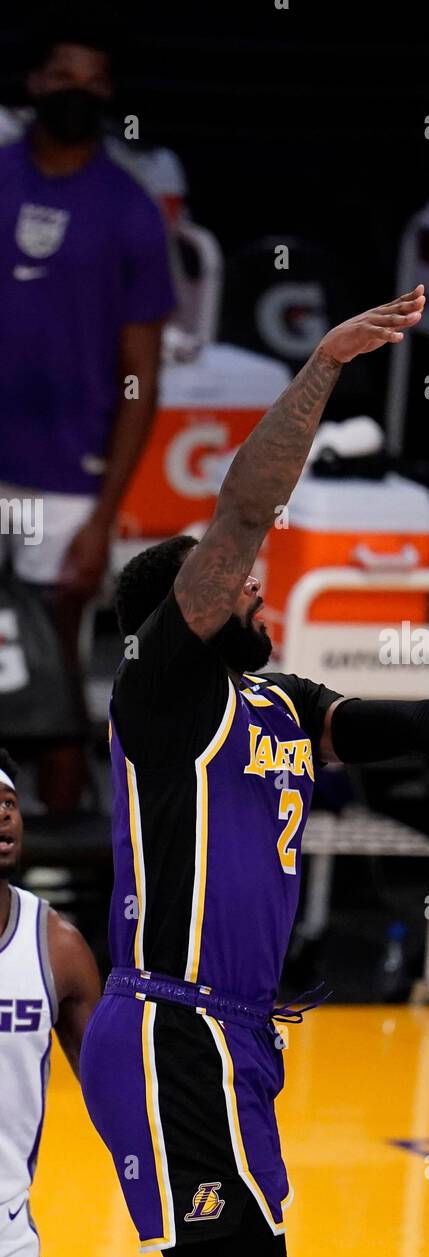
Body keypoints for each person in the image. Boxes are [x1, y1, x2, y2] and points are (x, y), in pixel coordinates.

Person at [78, 284, 429, 1257]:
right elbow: (244, 509)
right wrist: (322, 368)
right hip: (170, 1028)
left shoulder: (278, 701)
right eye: (237, 586)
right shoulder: (160, 697)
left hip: (238, 1032)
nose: (257, 586)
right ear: (182, 615)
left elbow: (404, 723)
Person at [0, 10, 175, 810]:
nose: (78, 92)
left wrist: (106, 516)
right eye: (63, 74)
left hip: (68, 485)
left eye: (95, 81)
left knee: (52, 676)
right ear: (33, 81)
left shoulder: (129, 210)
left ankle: (58, 857)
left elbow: (142, 374)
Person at [0, 749, 102, 1257]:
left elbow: (116, 1089)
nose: (3, 816)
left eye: (10, 804)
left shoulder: (56, 946)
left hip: (7, 1240)